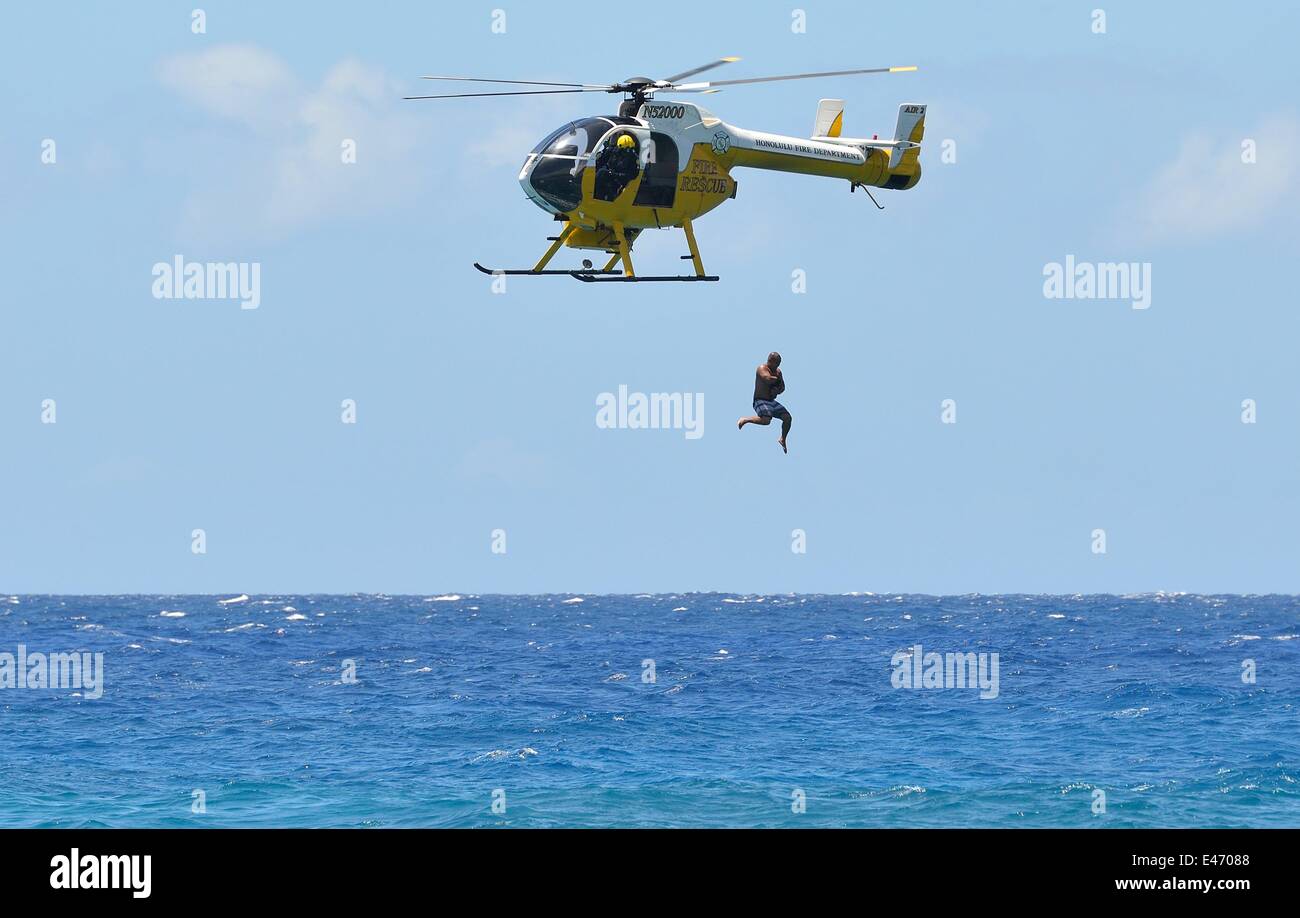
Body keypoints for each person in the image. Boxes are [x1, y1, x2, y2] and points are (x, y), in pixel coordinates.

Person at [737, 351, 792, 453]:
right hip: (760, 400)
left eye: (776, 363)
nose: (773, 365)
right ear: (769, 361)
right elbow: (767, 379)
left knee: (787, 418)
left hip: (771, 401)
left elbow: (782, 388)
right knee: (766, 420)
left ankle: (783, 438)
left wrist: (777, 389)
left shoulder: (778, 372)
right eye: (771, 362)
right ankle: (745, 419)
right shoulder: (762, 368)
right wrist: (777, 381)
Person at [594, 133, 639, 201]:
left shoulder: (633, 158)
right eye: (624, 149)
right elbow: (605, 163)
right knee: (601, 173)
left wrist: (614, 175)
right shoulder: (613, 152)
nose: (626, 151)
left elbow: (632, 175)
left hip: (619, 181)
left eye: (628, 149)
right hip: (609, 176)